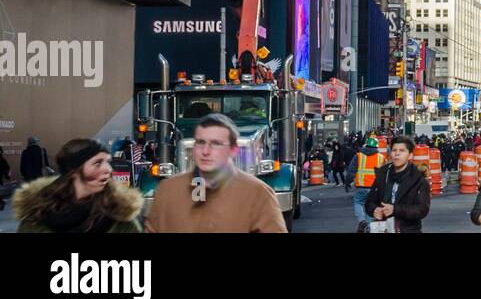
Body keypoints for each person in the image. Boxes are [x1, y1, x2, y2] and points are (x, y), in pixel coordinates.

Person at [145, 114, 286, 232]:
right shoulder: (167, 191)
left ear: (234, 150)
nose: (205, 151)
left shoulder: (258, 194)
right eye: (200, 142)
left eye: (216, 143)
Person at [13, 139, 143, 233]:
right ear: (73, 172)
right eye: (97, 163)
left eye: (107, 162)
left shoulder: (120, 215)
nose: (108, 169)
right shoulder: (36, 219)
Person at [364, 135, 430, 234]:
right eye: (394, 150)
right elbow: (369, 201)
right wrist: (374, 209)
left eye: (402, 151)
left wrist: (395, 209)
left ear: (410, 155)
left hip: (408, 230)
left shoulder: (419, 179)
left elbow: (422, 209)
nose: (397, 154)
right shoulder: (382, 175)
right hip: (383, 228)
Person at [345, 136, 386, 231]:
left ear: (366, 145)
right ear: (376, 147)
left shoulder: (358, 156)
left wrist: (347, 183)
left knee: (358, 202)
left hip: (362, 186)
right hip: (375, 188)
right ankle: (369, 226)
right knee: (371, 205)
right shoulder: (381, 157)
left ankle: (362, 221)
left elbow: (351, 170)